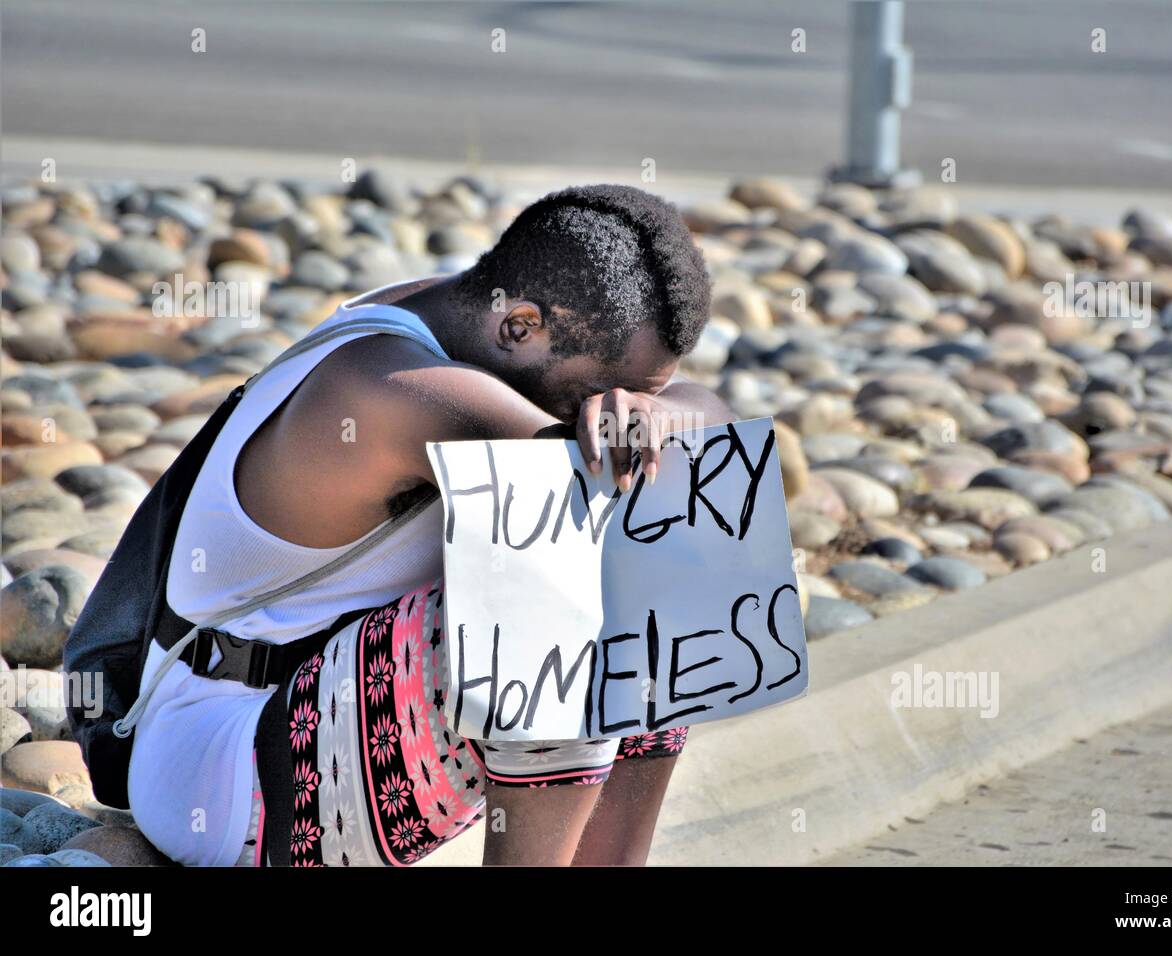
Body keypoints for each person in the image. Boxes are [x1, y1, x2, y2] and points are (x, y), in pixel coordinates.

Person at [125, 183, 734, 866]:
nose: (606, 415)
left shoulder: (461, 309)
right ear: (519, 326)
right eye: (594, 396)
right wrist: (666, 422)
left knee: (665, 549)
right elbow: (593, 484)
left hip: (331, 722)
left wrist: (658, 414)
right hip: (225, 766)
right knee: (575, 580)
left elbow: (710, 440)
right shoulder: (385, 382)